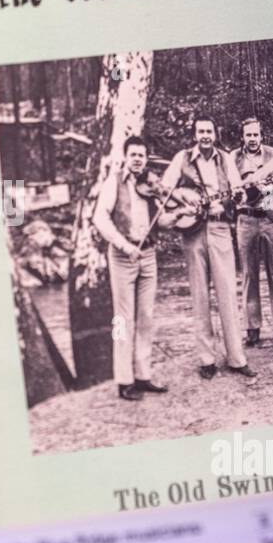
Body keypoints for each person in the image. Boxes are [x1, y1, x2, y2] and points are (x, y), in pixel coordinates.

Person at [164, 117, 257, 381]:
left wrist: (239, 194)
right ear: (194, 134)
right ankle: (206, 359)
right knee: (200, 295)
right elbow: (163, 189)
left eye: (209, 131)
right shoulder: (181, 158)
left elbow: (238, 188)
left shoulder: (225, 159)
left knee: (227, 292)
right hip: (192, 232)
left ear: (215, 134)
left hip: (219, 229)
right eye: (200, 131)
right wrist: (184, 202)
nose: (205, 135)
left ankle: (236, 358)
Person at [92, 135, 168, 402]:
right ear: (125, 156)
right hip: (124, 256)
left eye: (141, 155)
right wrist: (124, 246)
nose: (137, 159)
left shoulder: (149, 185)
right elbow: (99, 218)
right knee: (123, 320)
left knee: (146, 316)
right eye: (133, 154)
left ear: (146, 158)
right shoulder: (114, 182)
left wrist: (183, 211)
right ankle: (124, 381)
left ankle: (143, 375)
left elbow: (164, 219)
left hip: (148, 254)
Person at [232, 118, 273, 348]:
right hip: (245, 219)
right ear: (243, 137)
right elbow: (231, 187)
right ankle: (252, 328)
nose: (252, 139)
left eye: (256, 135)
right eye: (248, 135)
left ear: (261, 136)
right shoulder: (234, 158)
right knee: (249, 275)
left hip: (269, 219)